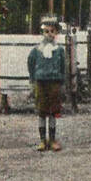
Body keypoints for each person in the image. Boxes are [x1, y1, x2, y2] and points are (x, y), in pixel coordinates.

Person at [27, 17, 66, 152]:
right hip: (41, 83)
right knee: (42, 112)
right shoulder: (36, 50)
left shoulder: (59, 50)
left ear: (56, 33)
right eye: (46, 31)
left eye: (52, 31)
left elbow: (63, 67)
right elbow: (31, 64)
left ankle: (53, 140)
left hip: (54, 83)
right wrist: (33, 80)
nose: (49, 34)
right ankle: (43, 140)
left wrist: (62, 83)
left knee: (53, 112)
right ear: (42, 33)